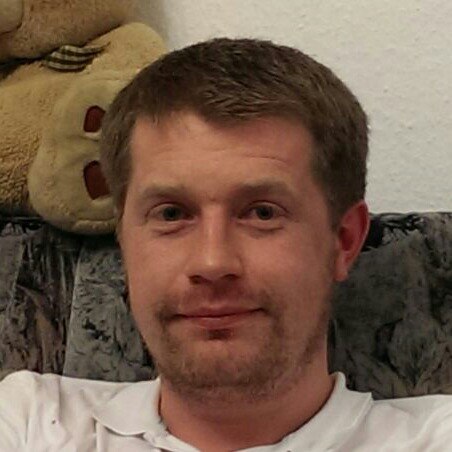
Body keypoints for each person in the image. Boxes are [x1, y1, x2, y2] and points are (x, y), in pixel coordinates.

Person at [1, 37, 451, 452]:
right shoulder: (30, 420)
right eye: (171, 214)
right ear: (124, 238)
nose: (212, 262)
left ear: (344, 241)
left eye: (262, 213)